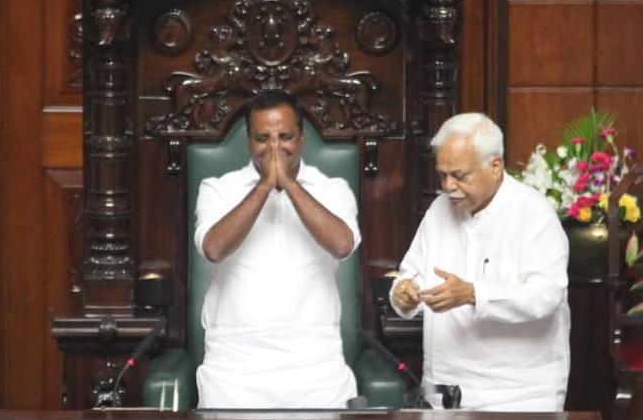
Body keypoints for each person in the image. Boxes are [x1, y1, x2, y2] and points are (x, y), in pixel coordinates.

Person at [390, 112, 570, 411]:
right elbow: (411, 274)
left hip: (519, 393)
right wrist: (404, 293)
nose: (448, 185)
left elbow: (546, 295)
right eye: (442, 174)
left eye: (459, 175)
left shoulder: (534, 213)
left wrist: (474, 293)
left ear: (495, 166)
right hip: (445, 387)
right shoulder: (439, 210)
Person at [194, 89, 361, 408]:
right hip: (233, 371)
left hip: (316, 369)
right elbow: (213, 248)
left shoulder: (332, 189)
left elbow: (342, 245)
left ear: (300, 139)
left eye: (284, 136)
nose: (274, 147)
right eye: (262, 138)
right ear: (248, 141)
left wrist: (290, 184)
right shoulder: (217, 189)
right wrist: (265, 185)